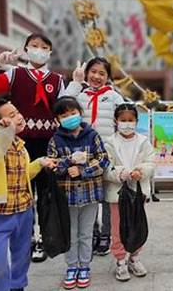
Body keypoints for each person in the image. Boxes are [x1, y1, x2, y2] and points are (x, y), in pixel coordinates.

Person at [0, 33, 64, 262]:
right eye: (34, 46)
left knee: (46, 193)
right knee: (24, 191)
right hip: (17, 143)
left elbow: (65, 108)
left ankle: (44, 238)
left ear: (50, 52)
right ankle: (28, 237)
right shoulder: (15, 73)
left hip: (48, 142)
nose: (39, 50)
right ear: (25, 49)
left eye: (45, 47)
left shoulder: (57, 79)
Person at [0, 99, 56, 291]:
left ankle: (18, 285)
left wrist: (40, 163)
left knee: (21, 255)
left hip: (24, 210)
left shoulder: (21, 146)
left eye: (17, 111)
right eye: (10, 115)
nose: (18, 117)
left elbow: (24, 173)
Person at [60, 57, 124, 256]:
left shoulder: (113, 96)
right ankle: (93, 232)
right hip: (83, 154)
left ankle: (105, 234)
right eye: (93, 72)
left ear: (108, 77)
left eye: (102, 73)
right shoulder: (79, 95)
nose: (97, 76)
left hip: (107, 154)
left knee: (106, 195)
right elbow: (61, 104)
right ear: (87, 73)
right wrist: (76, 82)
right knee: (89, 196)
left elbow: (124, 118)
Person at [47, 96, 110, 289]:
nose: (70, 117)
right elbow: (51, 166)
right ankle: (71, 267)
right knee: (71, 234)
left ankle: (85, 266)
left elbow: (104, 160)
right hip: (68, 198)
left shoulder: (92, 135)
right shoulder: (55, 140)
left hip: (91, 195)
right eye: (64, 115)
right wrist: (68, 163)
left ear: (80, 113)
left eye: (73, 113)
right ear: (58, 119)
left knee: (86, 233)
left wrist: (84, 170)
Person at [103, 103, 155, 281]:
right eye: (122, 120)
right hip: (117, 195)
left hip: (138, 192)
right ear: (115, 121)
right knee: (118, 229)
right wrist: (120, 173)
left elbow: (151, 162)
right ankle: (120, 261)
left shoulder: (143, 141)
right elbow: (106, 167)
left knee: (137, 225)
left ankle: (134, 258)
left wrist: (141, 171)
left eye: (130, 120)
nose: (126, 124)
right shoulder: (110, 142)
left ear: (136, 121)